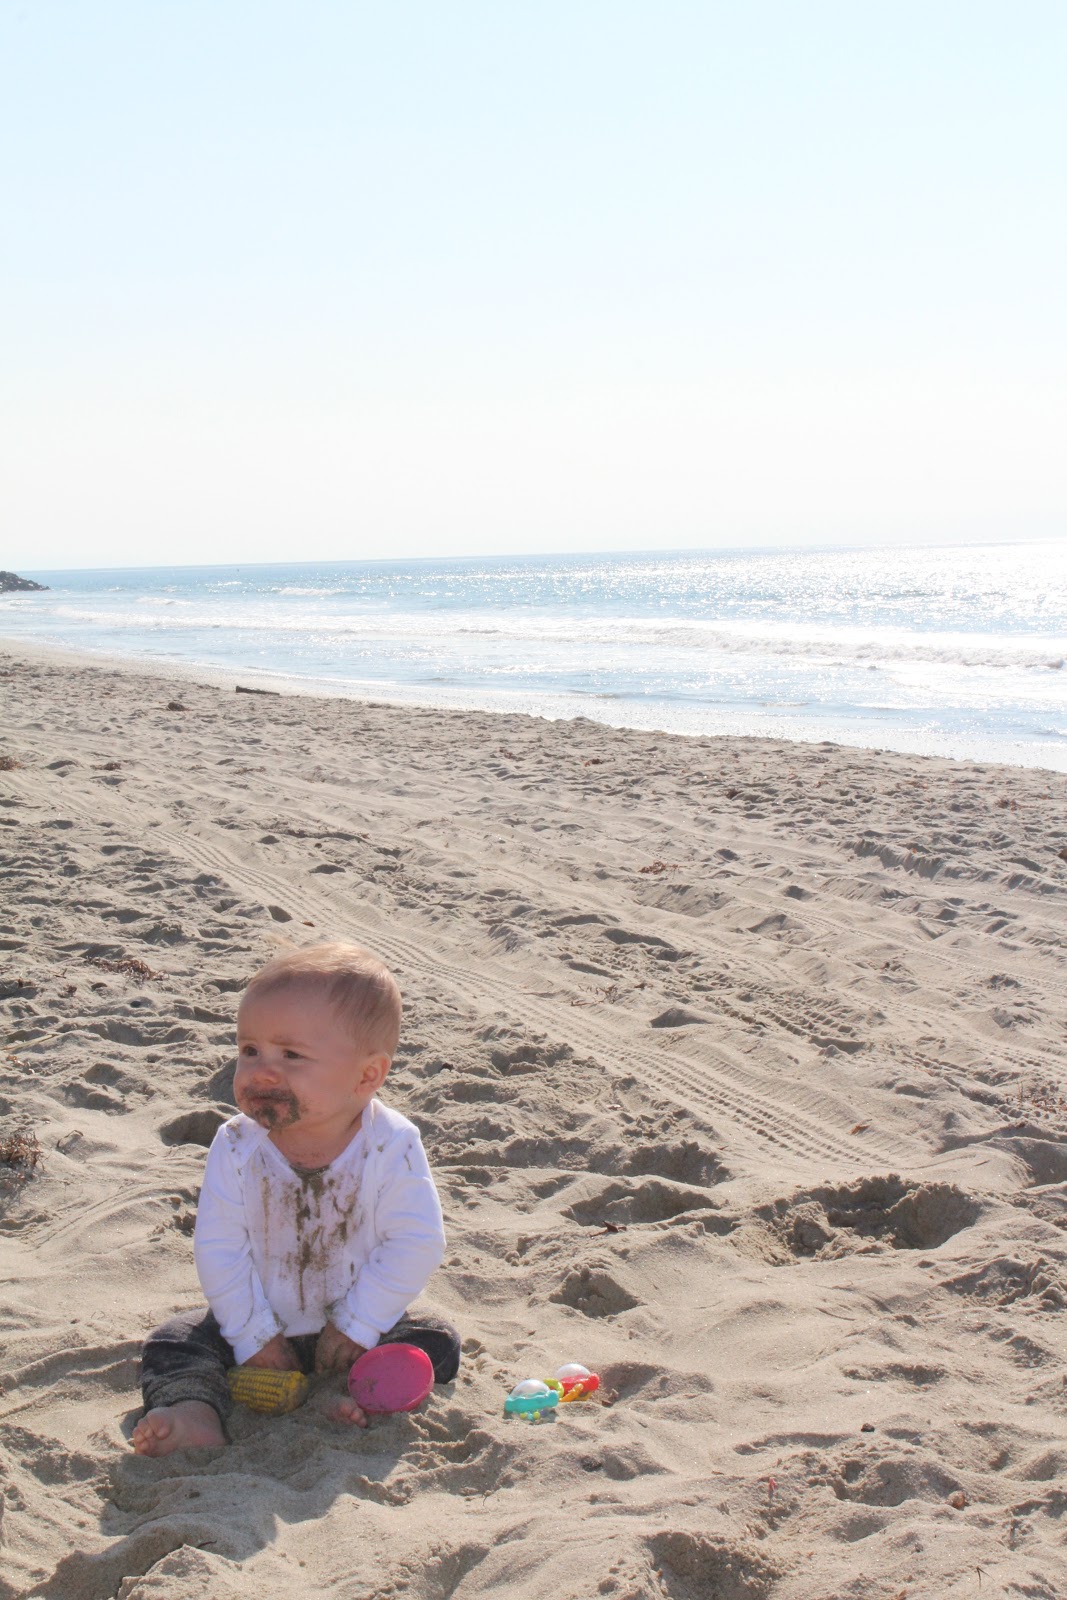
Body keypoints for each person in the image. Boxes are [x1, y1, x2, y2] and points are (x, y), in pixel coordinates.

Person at [131, 942, 458, 1456]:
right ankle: (195, 1412)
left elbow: (415, 1241)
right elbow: (221, 1249)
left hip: (355, 1326)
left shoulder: (391, 1144)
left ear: (367, 1075)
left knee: (434, 1339)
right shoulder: (237, 1146)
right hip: (261, 1322)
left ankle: (353, 1396)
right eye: (249, 1050)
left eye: (291, 1055)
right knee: (173, 1343)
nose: (263, 1071)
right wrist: (252, 1337)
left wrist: (358, 1323)